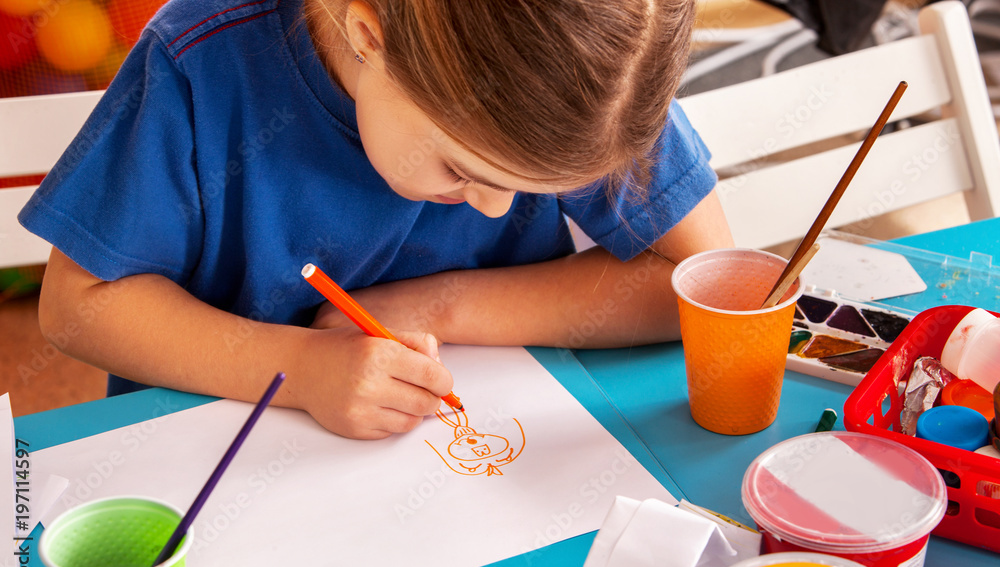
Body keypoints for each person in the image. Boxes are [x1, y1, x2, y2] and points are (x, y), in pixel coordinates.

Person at [20, 0, 733, 439]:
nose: (497, 207)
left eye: (529, 189)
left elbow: (707, 286)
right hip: (219, 478)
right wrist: (300, 371)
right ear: (367, 34)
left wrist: (438, 305)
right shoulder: (200, 62)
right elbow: (77, 306)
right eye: (463, 171)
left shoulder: (595, 61)